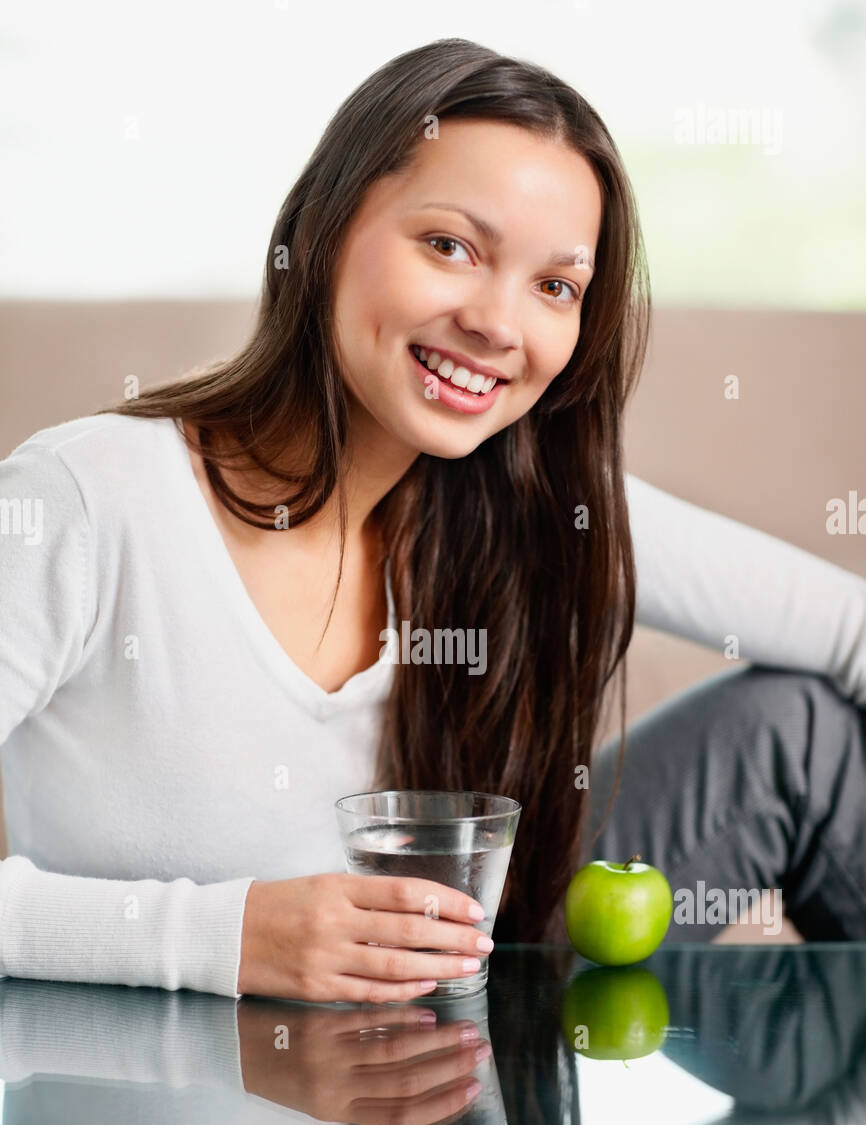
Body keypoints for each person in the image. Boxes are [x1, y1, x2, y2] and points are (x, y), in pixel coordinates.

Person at [0, 39, 864, 1003]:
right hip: (190, 1071)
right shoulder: (85, 498)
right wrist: (227, 936)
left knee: (799, 735)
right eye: (451, 246)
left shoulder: (532, 501)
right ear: (326, 226)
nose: (499, 324)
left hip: (462, 1011)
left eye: (555, 286)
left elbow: (850, 628)